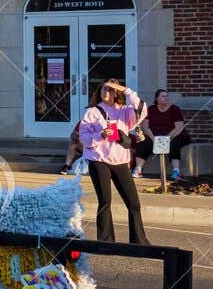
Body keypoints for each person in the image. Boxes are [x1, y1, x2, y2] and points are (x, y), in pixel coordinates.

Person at [78, 78, 149, 243]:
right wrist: (101, 135)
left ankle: (139, 241)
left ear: (117, 92)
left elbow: (142, 109)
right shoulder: (93, 112)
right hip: (99, 160)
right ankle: (106, 241)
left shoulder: (126, 111)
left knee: (134, 203)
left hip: (120, 161)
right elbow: (83, 138)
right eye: (104, 89)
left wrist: (127, 91)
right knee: (105, 201)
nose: (106, 92)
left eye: (110, 89)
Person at [134, 89, 190, 179]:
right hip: (154, 136)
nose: (166, 98)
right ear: (157, 99)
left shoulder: (175, 109)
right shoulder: (151, 109)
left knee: (173, 144)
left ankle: (176, 171)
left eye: (167, 96)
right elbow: (145, 126)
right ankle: (138, 169)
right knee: (142, 141)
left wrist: (166, 138)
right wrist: (153, 138)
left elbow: (179, 127)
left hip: (174, 136)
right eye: (163, 96)